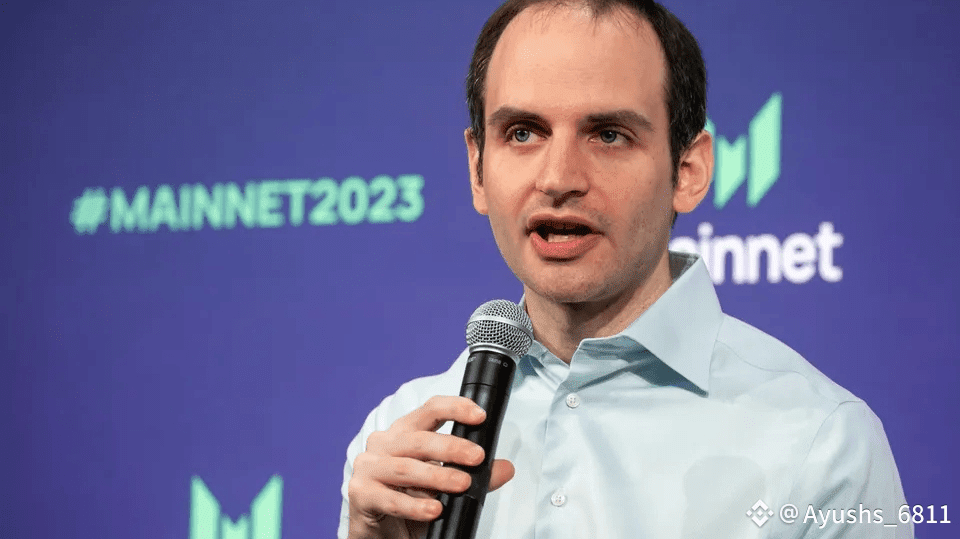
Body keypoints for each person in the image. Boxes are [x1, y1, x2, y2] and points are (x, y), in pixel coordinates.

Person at [338, 0, 910, 537]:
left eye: (609, 135)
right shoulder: (401, 439)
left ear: (688, 171)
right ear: (477, 169)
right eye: (523, 133)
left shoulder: (821, 441)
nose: (559, 178)